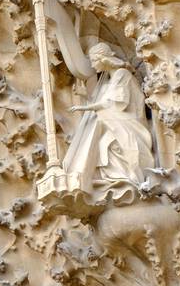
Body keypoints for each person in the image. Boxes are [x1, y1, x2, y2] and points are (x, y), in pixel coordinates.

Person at [61, 42, 154, 203]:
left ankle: (129, 179)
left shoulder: (121, 74)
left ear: (102, 59)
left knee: (110, 144)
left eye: (92, 60)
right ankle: (117, 180)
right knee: (103, 144)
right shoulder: (109, 80)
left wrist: (85, 107)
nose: (91, 64)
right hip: (118, 121)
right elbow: (108, 104)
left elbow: (113, 104)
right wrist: (86, 98)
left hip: (128, 123)